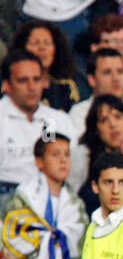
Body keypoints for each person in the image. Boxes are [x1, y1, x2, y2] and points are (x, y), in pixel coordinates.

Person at [0, 133, 85, 259]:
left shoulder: (76, 203)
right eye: (55, 154)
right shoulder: (22, 198)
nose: (63, 160)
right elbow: (9, 241)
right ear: (39, 161)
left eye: (67, 154)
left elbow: (79, 250)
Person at [0, 50, 75, 195]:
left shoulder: (58, 120)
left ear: (44, 82)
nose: (31, 87)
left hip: (52, 193)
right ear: (7, 85)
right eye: (23, 80)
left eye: (36, 79)